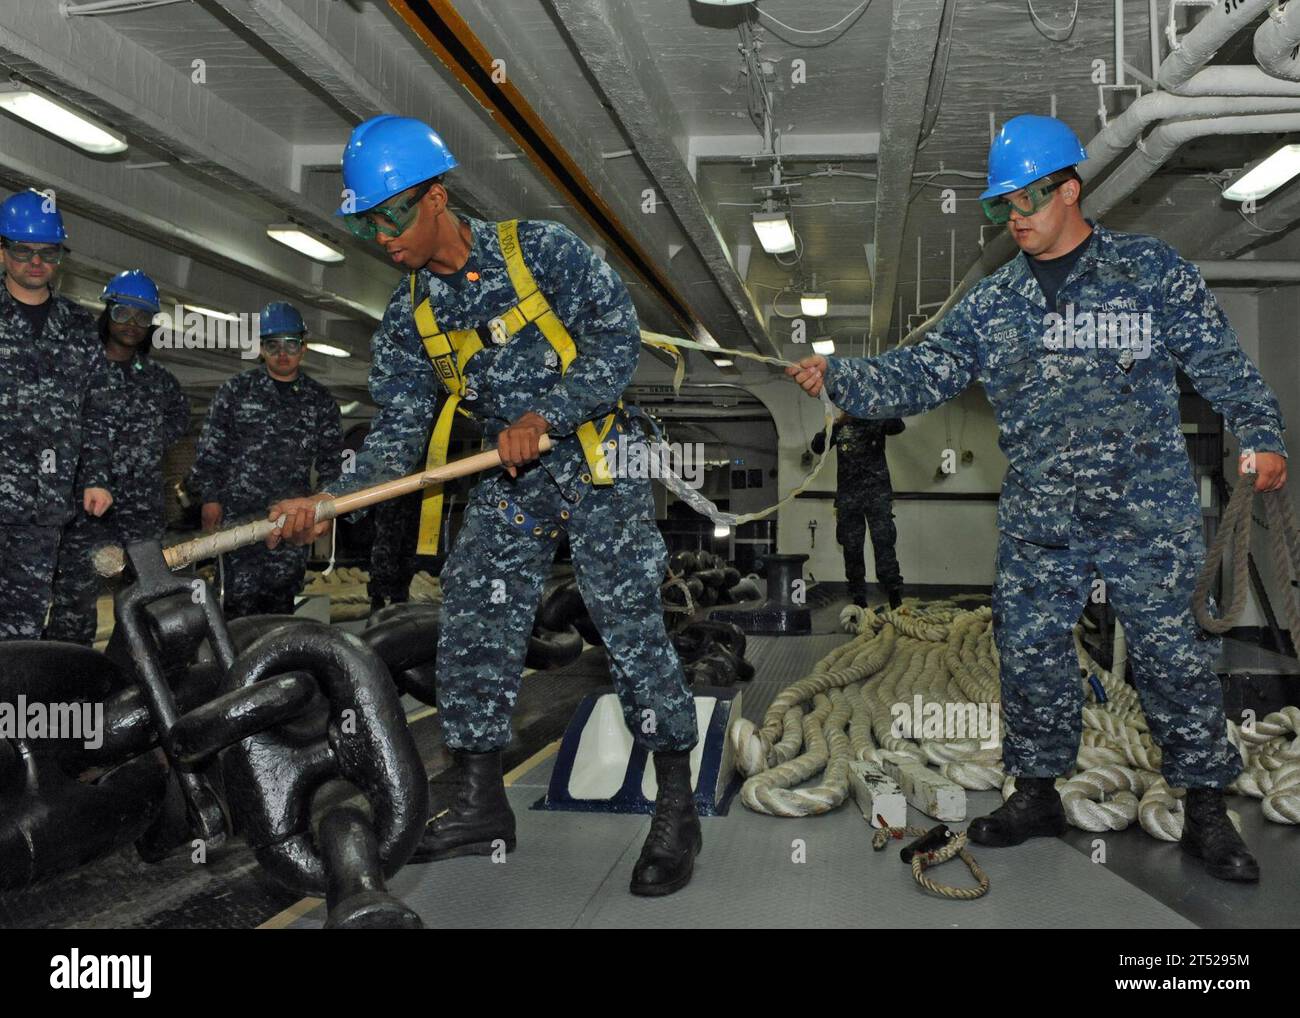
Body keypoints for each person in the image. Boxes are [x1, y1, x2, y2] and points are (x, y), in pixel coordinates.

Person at [788, 114, 1288, 882]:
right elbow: (923, 372)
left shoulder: (1146, 271)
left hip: (1146, 517)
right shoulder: (994, 305)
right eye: (1000, 208)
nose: (1013, 219)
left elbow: (1220, 362)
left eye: (1024, 202)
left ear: (1070, 189)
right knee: (1029, 657)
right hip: (1041, 523)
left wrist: (1263, 435)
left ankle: (1206, 809)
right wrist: (840, 377)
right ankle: (1038, 793)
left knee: (1173, 661)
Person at [268, 115, 702, 896]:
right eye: (367, 221)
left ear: (436, 197)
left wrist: (546, 417)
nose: (380, 234)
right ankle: (480, 803)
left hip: (601, 459)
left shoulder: (542, 251)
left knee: (628, 624)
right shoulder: (409, 320)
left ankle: (676, 806)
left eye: (390, 214)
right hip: (508, 479)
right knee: (473, 617)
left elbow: (615, 342)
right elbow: (399, 430)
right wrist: (335, 498)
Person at [45, 271, 189, 644]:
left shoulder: (160, 381)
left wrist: (140, 447)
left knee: (147, 601)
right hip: (84, 511)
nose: (132, 325)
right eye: (124, 313)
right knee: (74, 604)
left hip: (141, 511)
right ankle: (71, 679)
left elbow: (177, 423)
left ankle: (131, 678)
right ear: (107, 312)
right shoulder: (80, 371)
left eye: (142, 317)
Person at [0, 190, 113, 640]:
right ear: (2, 251)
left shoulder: (81, 327)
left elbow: (98, 408)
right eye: (24, 251)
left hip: (43, 509)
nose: (35, 262)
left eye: (47, 253)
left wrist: (97, 476)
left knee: (22, 627)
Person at [186, 301, 343, 618]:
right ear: (260, 348)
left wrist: (326, 511)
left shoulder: (320, 401)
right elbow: (211, 450)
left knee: (280, 608)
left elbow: (332, 464)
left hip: (291, 523)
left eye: (291, 344)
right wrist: (210, 499)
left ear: (304, 348)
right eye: (273, 345)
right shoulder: (236, 391)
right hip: (238, 520)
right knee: (235, 608)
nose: (282, 353)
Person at [812, 413, 905, 608]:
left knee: (884, 543)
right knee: (851, 547)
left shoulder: (877, 420)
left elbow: (898, 425)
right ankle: (858, 598)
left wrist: (879, 409)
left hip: (877, 494)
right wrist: (832, 424)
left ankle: (894, 594)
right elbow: (817, 446)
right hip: (849, 497)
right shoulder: (839, 427)